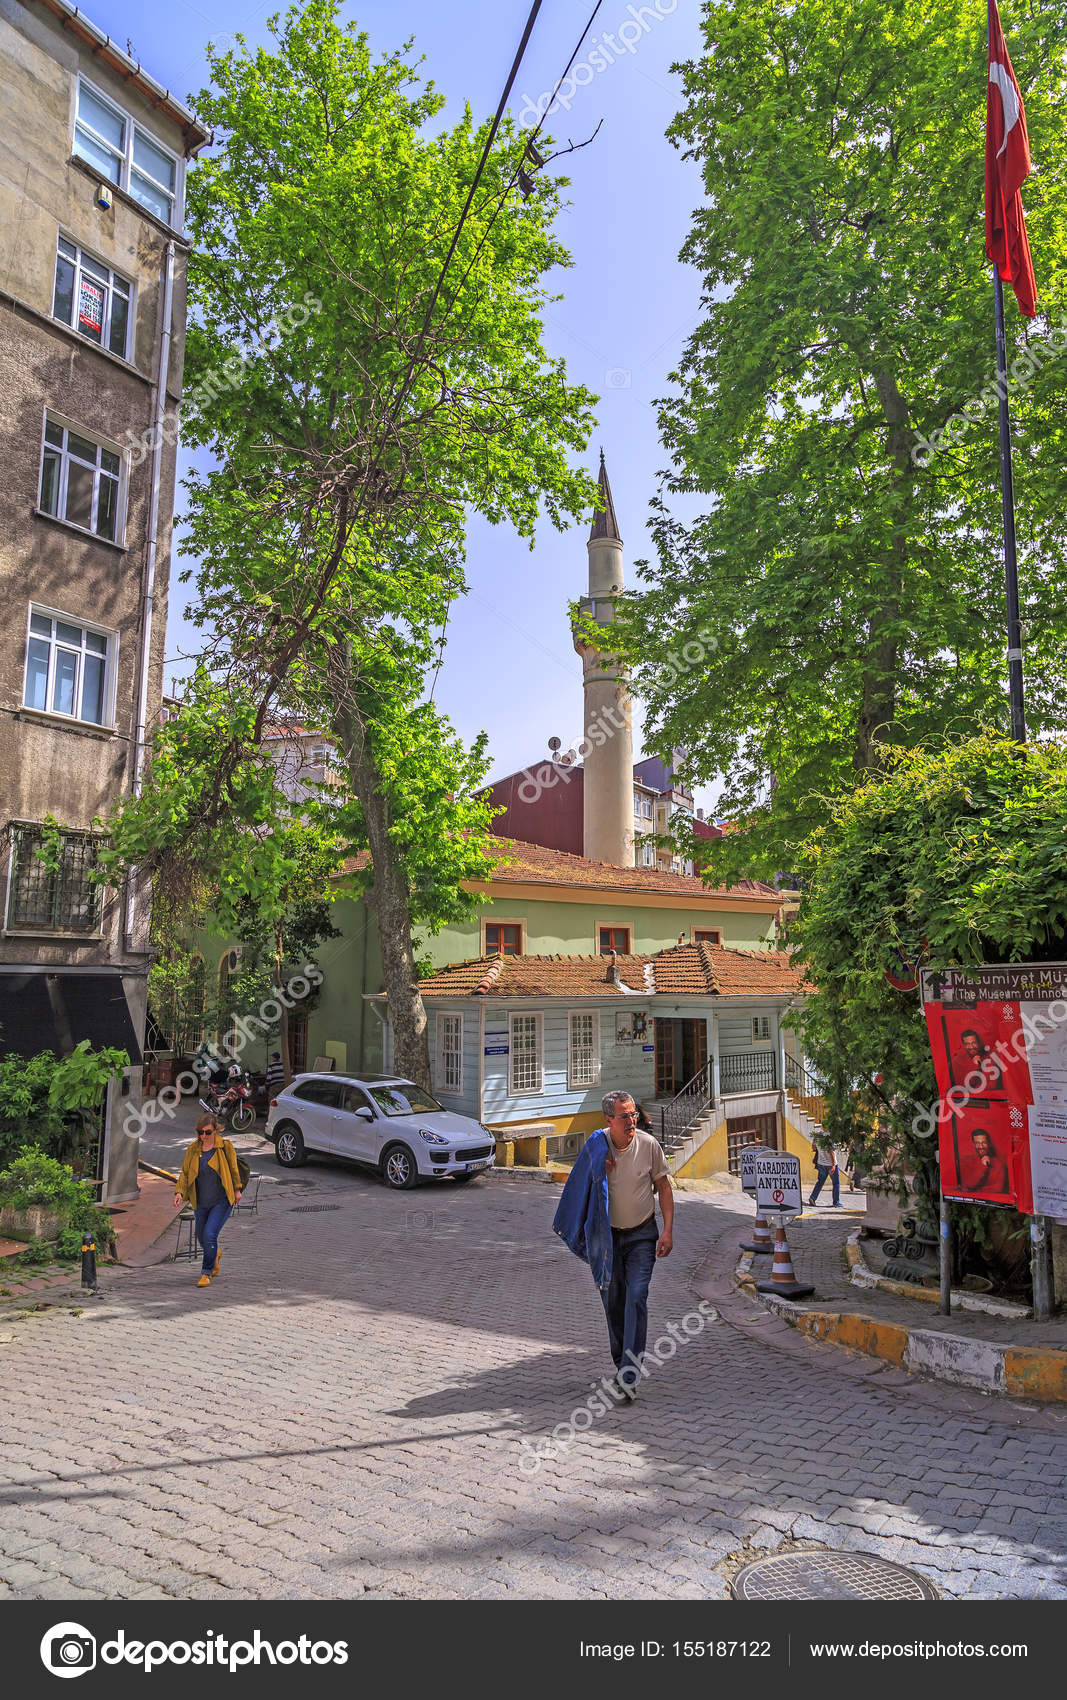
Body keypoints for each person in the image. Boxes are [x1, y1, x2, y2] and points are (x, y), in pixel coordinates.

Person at [553, 1090, 674, 1400]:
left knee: (636, 1296)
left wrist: (668, 1231)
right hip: (607, 1240)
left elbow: (663, 1186)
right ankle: (623, 1364)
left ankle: (629, 1374)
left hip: (642, 1236)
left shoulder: (649, 1146)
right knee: (613, 1302)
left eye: (633, 1114)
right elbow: (577, 1183)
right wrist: (597, 1169)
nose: (632, 1121)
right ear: (609, 1120)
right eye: (625, 1116)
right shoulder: (596, 1146)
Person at [173, 1114, 243, 1288]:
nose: (203, 1136)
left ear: (215, 1130)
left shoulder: (224, 1147)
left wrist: (237, 1189)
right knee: (200, 1236)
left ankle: (206, 1273)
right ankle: (215, 1255)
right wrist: (179, 1193)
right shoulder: (193, 1150)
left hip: (221, 1200)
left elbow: (234, 1169)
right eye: (200, 1132)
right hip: (201, 1201)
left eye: (207, 1132)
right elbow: (185, 1173)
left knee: (209, 1234)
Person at [951, 1028, 1004, 1093]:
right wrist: (974, 1066)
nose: (971, 1047)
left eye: (974, 1043)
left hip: (989, 1097)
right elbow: (962, 1087)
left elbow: (992, 1086)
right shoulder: (957, 1061)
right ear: (963, 1045)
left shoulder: (987, 1057)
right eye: (967, 1044)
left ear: (978, 1042)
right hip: (970, 1099)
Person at [961, 1128, 1010, 1195]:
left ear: (989, 1143)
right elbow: (966, 1186)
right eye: (977, 1143)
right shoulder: (967, 1162)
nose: (981, 1146)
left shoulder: (999, 1164)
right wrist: (982, 1167)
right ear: (973, 1144)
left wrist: (976, 1191)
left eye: (984, 1143)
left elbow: (998, 1190)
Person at [807, 1137, 840, 1206]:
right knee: (836, 1183)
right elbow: (831, 1151)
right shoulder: (831, 1135)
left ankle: (813, 1197)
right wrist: (833, 1165)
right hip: (830, 1164)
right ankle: (836, 1202)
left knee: (820, 1182)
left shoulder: (817, 1135)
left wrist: (821, 1150)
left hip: (821, 1163)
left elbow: (813, 1147)